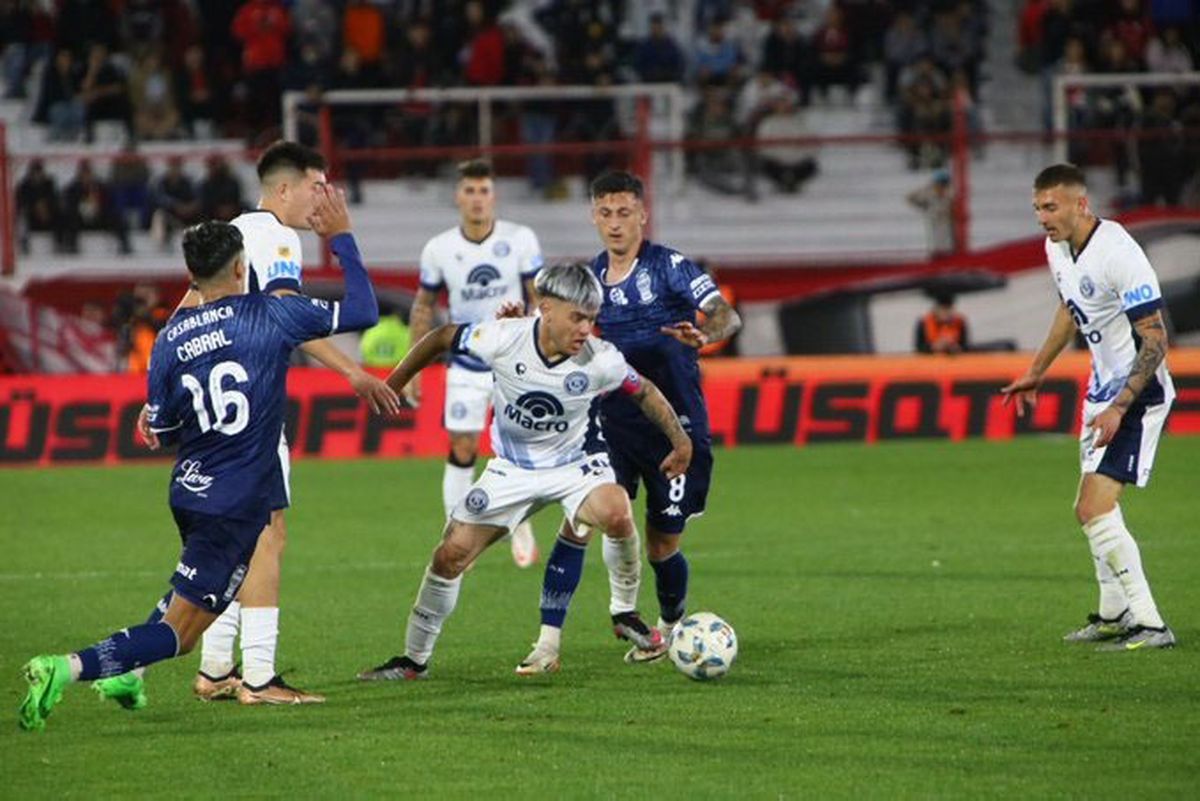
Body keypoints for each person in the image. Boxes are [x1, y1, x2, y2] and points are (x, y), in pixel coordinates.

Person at [19, 207, 381, 732]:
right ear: (241, 269)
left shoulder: (170, 337)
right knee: (179, 635)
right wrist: (341, 238)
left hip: (190, 490)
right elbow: (364, 308)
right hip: (234, 502)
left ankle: (129, 673)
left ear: (193, 277)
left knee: (195, 586)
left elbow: (160, 428)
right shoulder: (273, 315)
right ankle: (66, 668)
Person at [126, 141, 399, 706]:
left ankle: (216, 669)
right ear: (285, 188)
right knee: (266, 534)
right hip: (251, 416)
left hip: (211, 421)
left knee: (237, 542)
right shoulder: (277, 238)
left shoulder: (231, 232)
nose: (323, 198)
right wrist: (353, 371)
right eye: (316, 186)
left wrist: (157, 385)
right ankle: (260, 677)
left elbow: (187, 306)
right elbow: (289, 318)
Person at [356, 263, 693, 680]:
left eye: (592, 318)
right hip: (512, 469)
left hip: (576, 465)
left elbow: (643, 390)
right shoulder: (503, 337)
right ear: (546, 308)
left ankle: (624, 611)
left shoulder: (601, 359)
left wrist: (681, 441)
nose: (586, 328)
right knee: (450, 555)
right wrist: (395, 382)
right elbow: (442, 337)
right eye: (577, 317)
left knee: (616, 508)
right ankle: (413, 660)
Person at [548, 170, 742, 665]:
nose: (615, 224)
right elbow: (563, 335)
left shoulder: (669, 266)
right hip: (610, 424)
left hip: (675, 426)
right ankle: (580, 629)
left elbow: (724, 314)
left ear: (643, 215)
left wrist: (707, 334)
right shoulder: (588, 281)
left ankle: (672, 624)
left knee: (661, 544)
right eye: (606, 213)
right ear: (594, 216)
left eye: (625, 213)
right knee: (592, 519)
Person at [1001, 163, 1176, 651]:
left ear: (1082, 204)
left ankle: (1151, 623)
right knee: (1091, 510)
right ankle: (1113, 613)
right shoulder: (1056, 247)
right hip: (1100, 392)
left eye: (1050, 206)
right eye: (1037, 208)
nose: (1041, 217)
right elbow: (1069, 307)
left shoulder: (1119, 253)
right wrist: (1038, 369)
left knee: (1092, 508)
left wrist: (1121, 405)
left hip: (1136, 395)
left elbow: (1156, 339)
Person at [407, 160, 544, 568]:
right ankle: (458, 529)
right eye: (470, 191)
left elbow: (540, 296)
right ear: (458, 196)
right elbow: (424, 306)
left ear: (493, 196)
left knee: (519, 448)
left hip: (513, 363)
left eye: (484, 191)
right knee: (463, 445)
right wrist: (413, 366)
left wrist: (538, 344)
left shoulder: (520, 239)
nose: (477, 199)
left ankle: (518, 521)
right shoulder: (439, 248)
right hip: (466, 362)